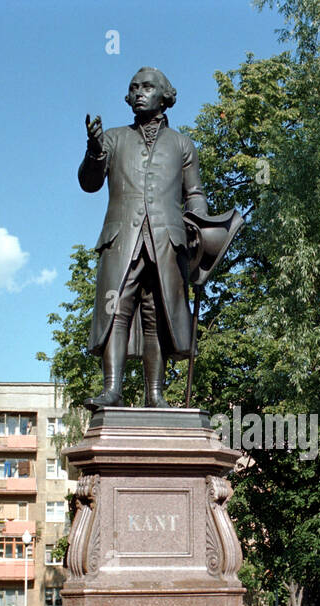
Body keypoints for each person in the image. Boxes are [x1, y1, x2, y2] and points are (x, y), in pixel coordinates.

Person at [78, 66, 211, 409]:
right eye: (134, 88)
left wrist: (201, 228)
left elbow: (194, 194)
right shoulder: (112, 139)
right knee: (116, 309)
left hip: (168, 241)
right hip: (122, 238)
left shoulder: (182, 144)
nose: (139, 92)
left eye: (148, 87)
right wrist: (94, 151)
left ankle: (155, 394)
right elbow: (89, 183)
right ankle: (112, 390)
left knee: (158, 315)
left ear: (165, 96)